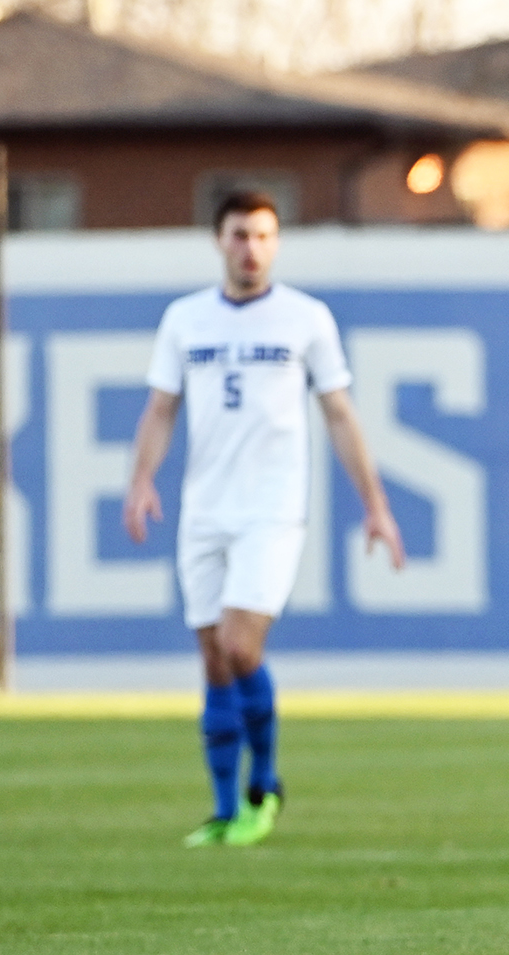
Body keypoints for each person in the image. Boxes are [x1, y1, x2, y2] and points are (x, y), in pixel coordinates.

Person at [124, 190, 404, 848]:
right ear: (219, 240)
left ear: (276, 244)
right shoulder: (185, 319)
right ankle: (225, 813)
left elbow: (340, 413)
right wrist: (141, 480)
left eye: (263, 236)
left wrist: (376, 505)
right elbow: (161, 408)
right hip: (203, 510)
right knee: (214, 663)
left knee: (240, 645)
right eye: (240, 235)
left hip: (272, 512)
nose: (252, 249)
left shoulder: (304, 319)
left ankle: (267, 783)